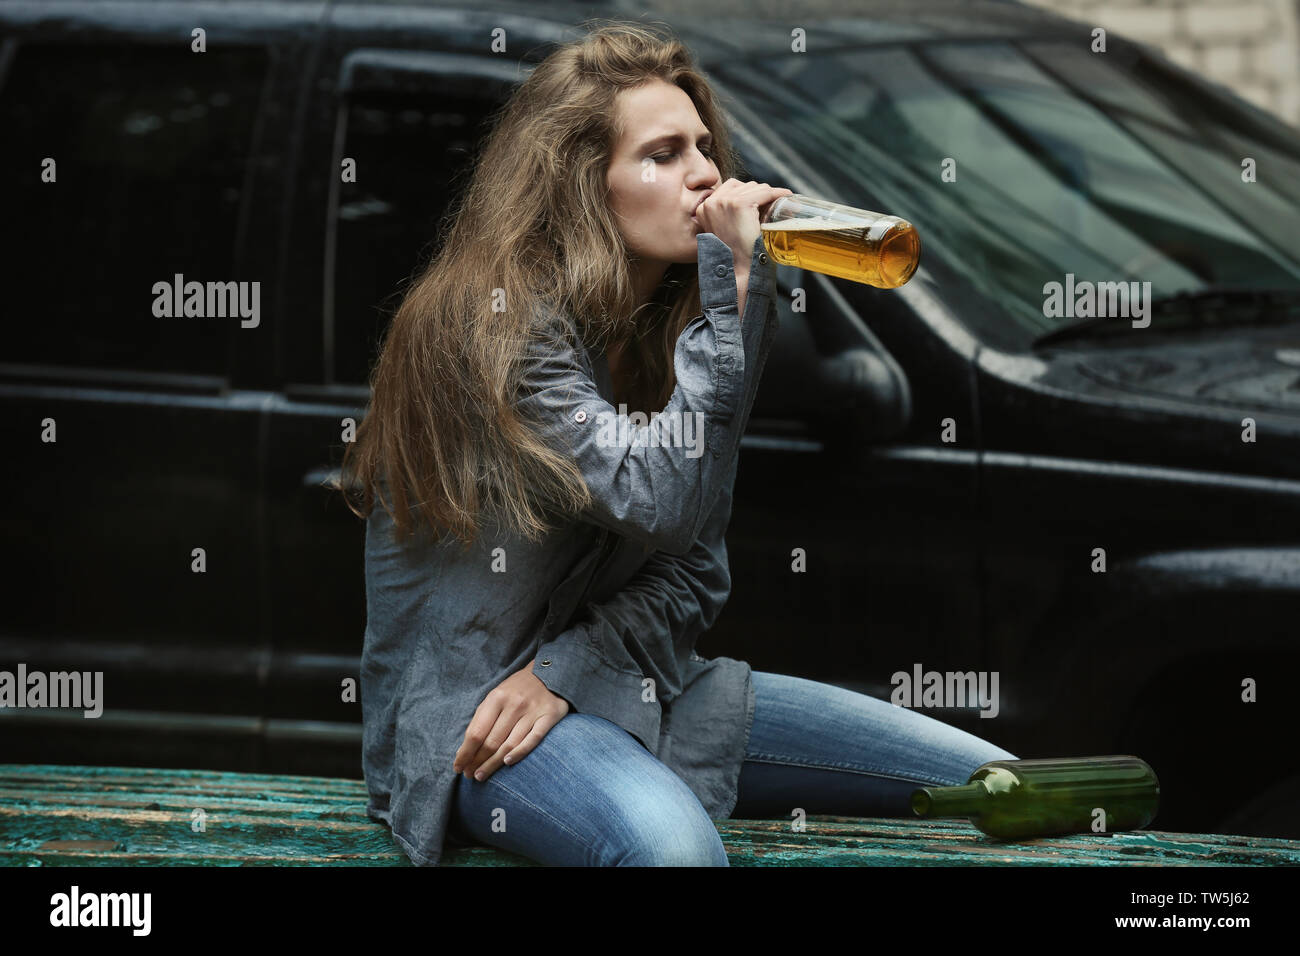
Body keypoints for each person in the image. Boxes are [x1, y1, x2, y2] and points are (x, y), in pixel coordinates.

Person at [337, 19, 1016, 867]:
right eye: (662, 154)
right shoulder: (492, 320)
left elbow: (695, 563)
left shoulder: (687, 317)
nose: (706, 174)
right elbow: (652, 496)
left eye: (703, 145)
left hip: (626, 682)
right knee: (675, 851)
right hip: (479, 724)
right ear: (584, 185)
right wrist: (732, 303)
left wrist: (567, 672)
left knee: (998, 783)